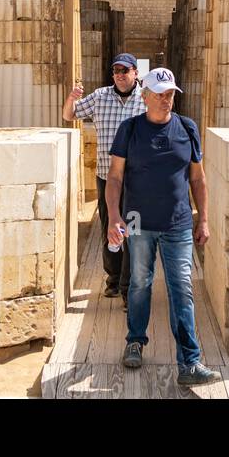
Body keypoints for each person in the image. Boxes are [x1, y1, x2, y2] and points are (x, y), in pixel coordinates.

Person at [106, 66, 220, 386]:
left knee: (181, 288)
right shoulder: (129, 130)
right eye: (160, 95)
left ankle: (190, 362)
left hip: (179, 222)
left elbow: (197, 178)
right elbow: (115, 177)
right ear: (144, 98)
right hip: (138, 221)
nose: (166, 100)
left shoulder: (187, 128)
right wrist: (114, 216)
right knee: (140, 282)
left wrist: (205, 218)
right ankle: (135, 341)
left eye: (170, 94)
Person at [65, 52, 147, 303]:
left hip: (136, 179)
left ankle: (129, 288)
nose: (120, 75)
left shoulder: (146, 98)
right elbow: (69, 115)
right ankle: (113, 279)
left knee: (133, 230)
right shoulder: (100, 97)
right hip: (106, 175)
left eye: (125, 70)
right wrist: (71, 98)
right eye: (116, 71)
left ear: (135, 73)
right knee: (110, 229)